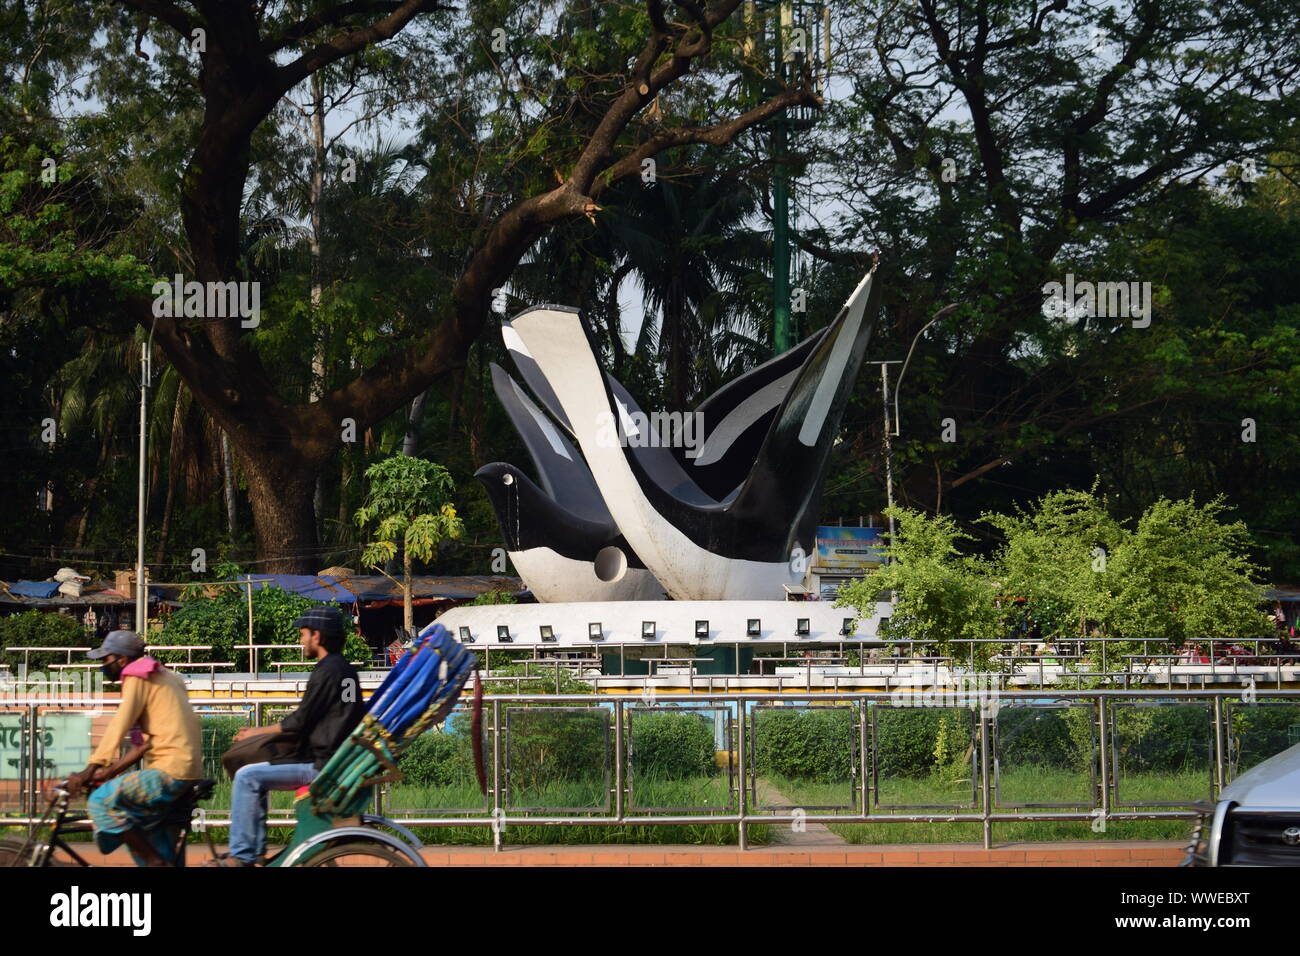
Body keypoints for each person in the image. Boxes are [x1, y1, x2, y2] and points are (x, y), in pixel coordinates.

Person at [213, 606, 364, 866]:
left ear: (317, 636)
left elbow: (299, 721)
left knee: (247, 777)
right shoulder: (346, 669)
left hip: (322, 766)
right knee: (256, 773)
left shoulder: (326, 671)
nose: (301, 640)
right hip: (338, 761)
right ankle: (254, 852)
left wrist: (255, 732)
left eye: (303, 634)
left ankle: (244, 854)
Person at [63, 630, 203, 867]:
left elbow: (120, 722)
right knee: (156, 843)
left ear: (122, 659)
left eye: (106, 659)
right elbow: (145, 744)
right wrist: (106, 773)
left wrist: (89, 770)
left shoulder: (137, 677)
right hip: (186, 768)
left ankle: (153, 860)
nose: (103, 666)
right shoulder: (166, 676)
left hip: (170, 770)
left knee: (100, 801)